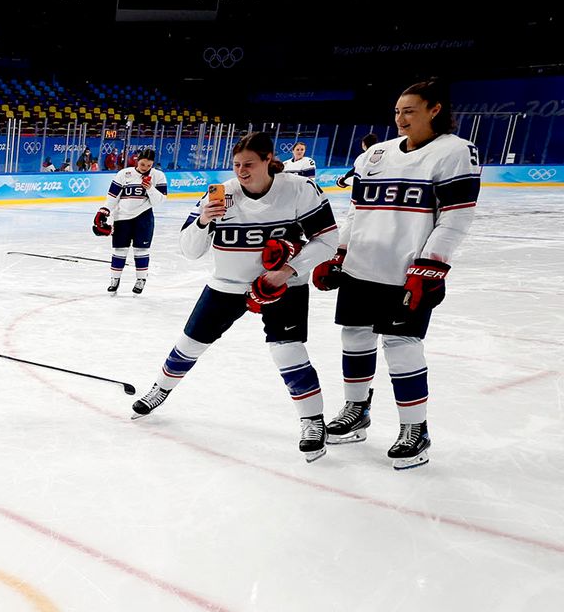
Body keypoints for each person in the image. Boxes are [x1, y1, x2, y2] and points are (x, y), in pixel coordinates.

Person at [130, 131, 340, 462]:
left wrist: (288, 271)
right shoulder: (222, 194)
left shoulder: (298, 190)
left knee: (288, 353)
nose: (241, 171)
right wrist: (202, 222)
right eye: (237, 164)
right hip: (227, 284)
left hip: (282, 286)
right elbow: (189, 250)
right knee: (189, 343)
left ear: (269, 160)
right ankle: (159, 390)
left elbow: (328, 239)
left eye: (249, 164)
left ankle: (313, 422)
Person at [309, 79, 478, 469]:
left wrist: (432, 265)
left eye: (410, 111)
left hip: (409, 272)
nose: (401, 118)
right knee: (354, 336)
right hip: (361, 267)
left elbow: (455, 218)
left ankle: (415, 430)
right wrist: (339, 252)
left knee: (402, 347)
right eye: (398, 111)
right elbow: (357, 212)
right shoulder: (375, 155)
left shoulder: (455, 152)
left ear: (435, 110)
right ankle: (357, 411)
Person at [94, 147, 167, 295]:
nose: (145, 168)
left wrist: (150, 188)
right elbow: (113, 196)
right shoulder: (123, 174)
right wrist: (104, 210)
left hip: (144, 217)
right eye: (142, 164)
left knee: (141, 250)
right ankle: (115, 280)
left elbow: (160, 200)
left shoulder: (158, 176)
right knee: (119, 250)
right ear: (137, 160)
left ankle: (141, 280)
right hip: (122, 218)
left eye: (148, 165)